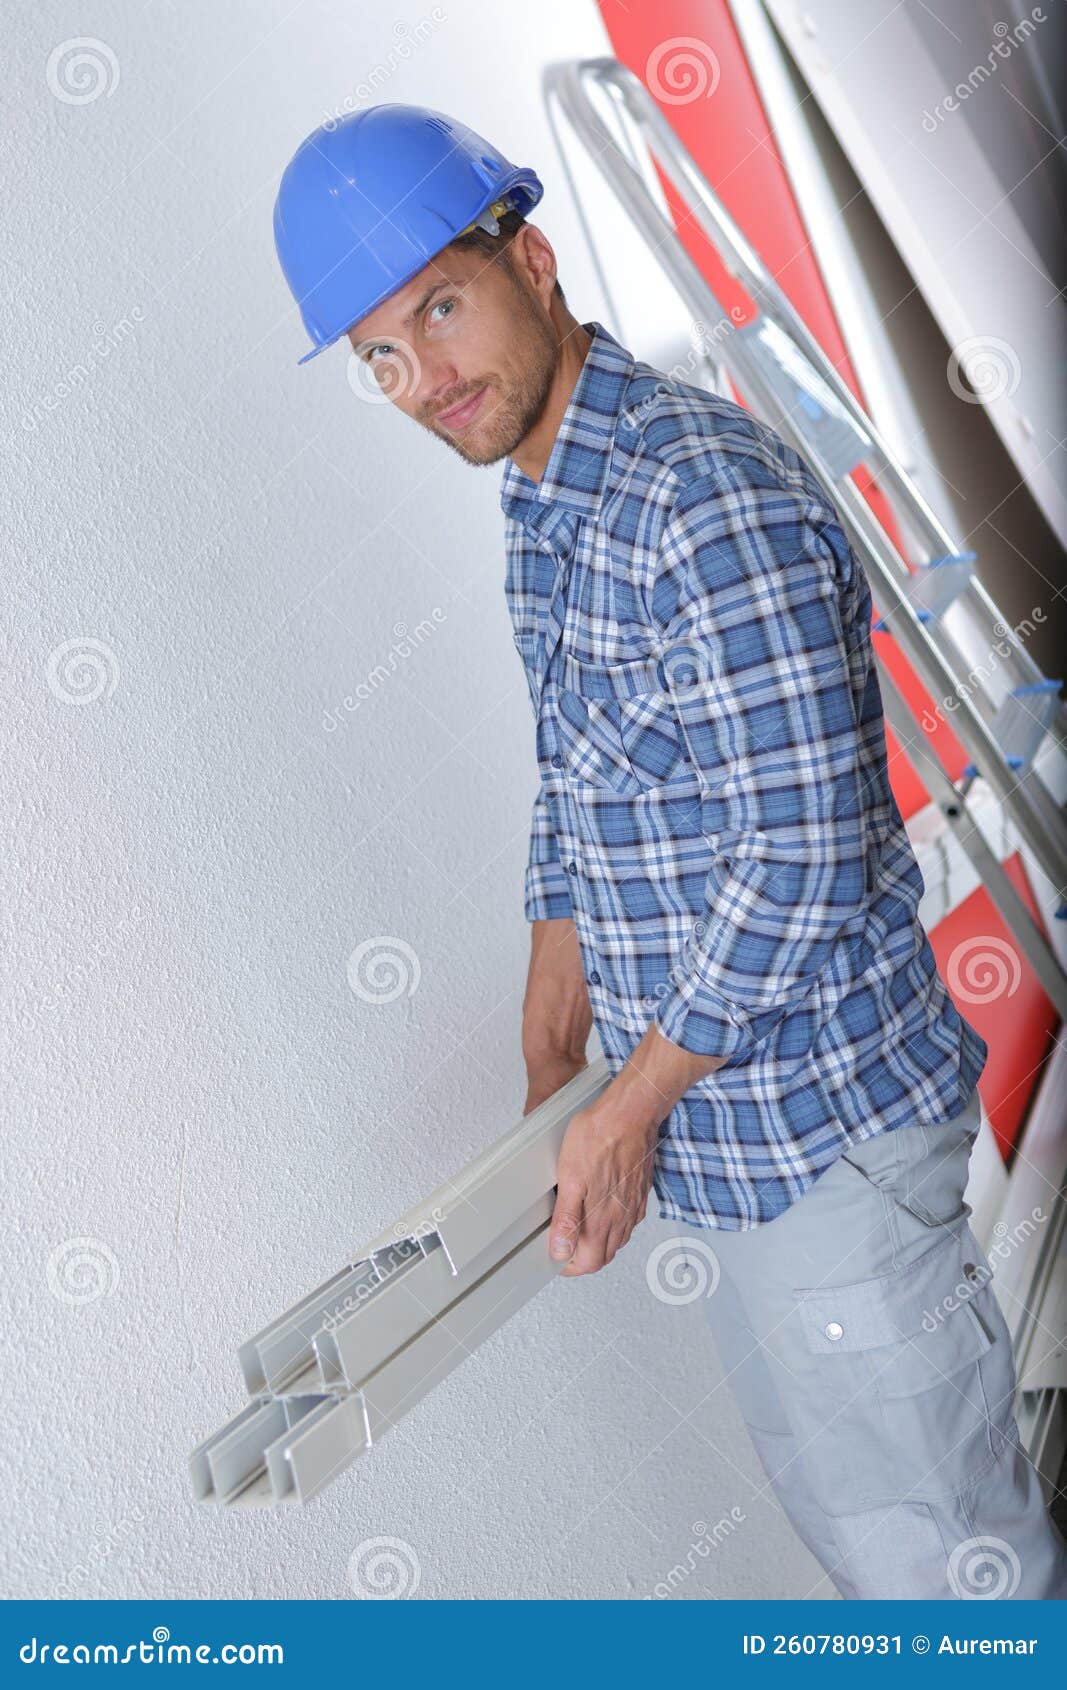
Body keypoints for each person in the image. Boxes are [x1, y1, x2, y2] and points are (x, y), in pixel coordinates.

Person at [273, 103, 1067, 1600]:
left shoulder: (696, 502)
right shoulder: (545, 501)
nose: (422, 378)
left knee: (948, 1574)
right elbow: (579, 787)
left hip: (823, 1139)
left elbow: (804, 858)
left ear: (537, 262)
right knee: (870, 1544)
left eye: (439, 309)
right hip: (740, 1148)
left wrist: (627, 1107)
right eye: (381, 355)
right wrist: (551, 1034)